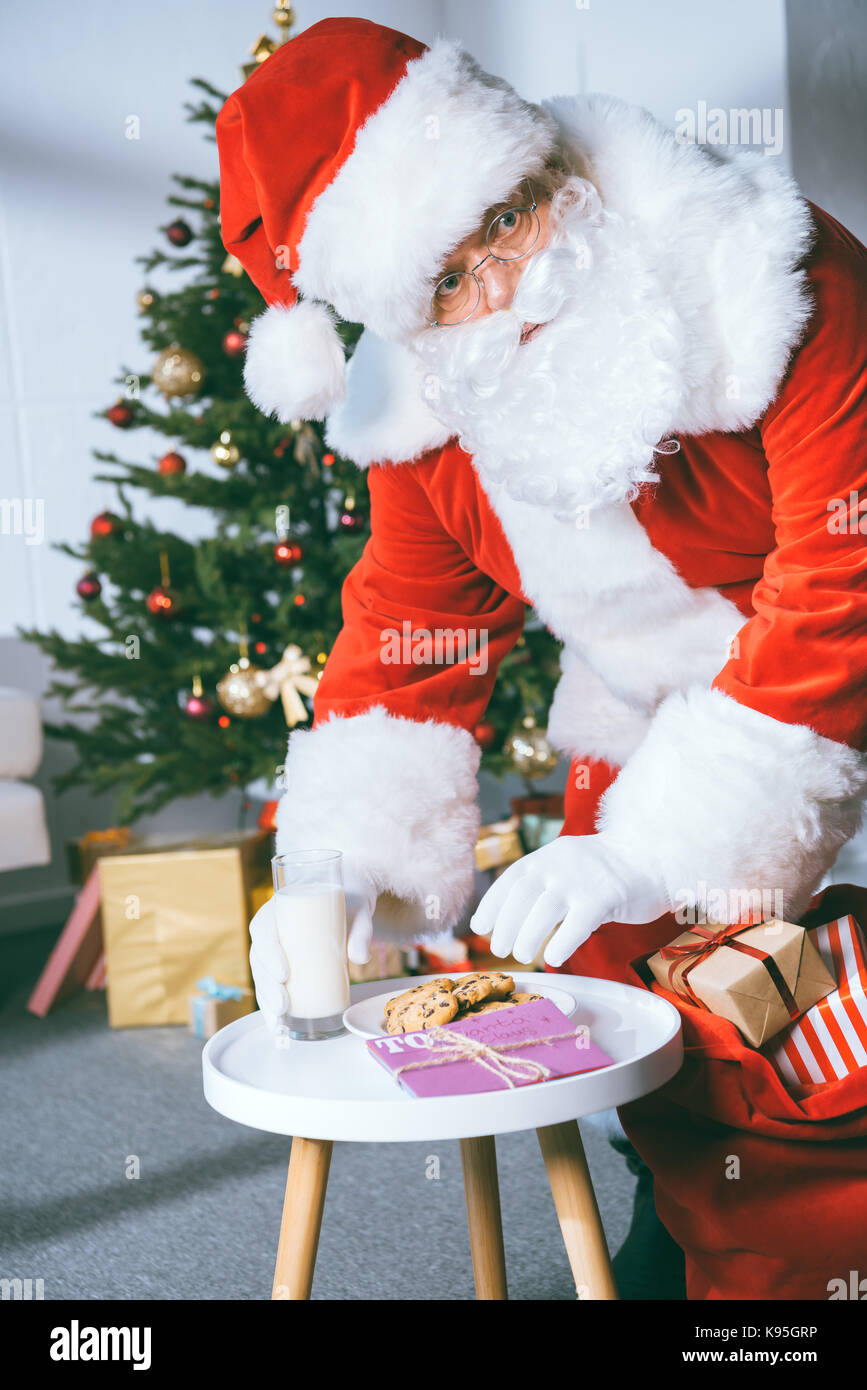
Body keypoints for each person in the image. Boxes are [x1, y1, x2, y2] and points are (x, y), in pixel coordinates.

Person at [216, 17, 867, 1299]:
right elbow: (406, 643)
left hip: (819, 678)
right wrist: (348, 872)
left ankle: (788, 1280)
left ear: (535, 164)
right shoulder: (425, 419)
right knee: (624, 985)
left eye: (504, 220)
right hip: (653, 712)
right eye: (446, 284)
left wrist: (663, 842)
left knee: (809, 1043)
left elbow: (849, 583)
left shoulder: (770, 269)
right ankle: (682, 1210)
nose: (505, 288)